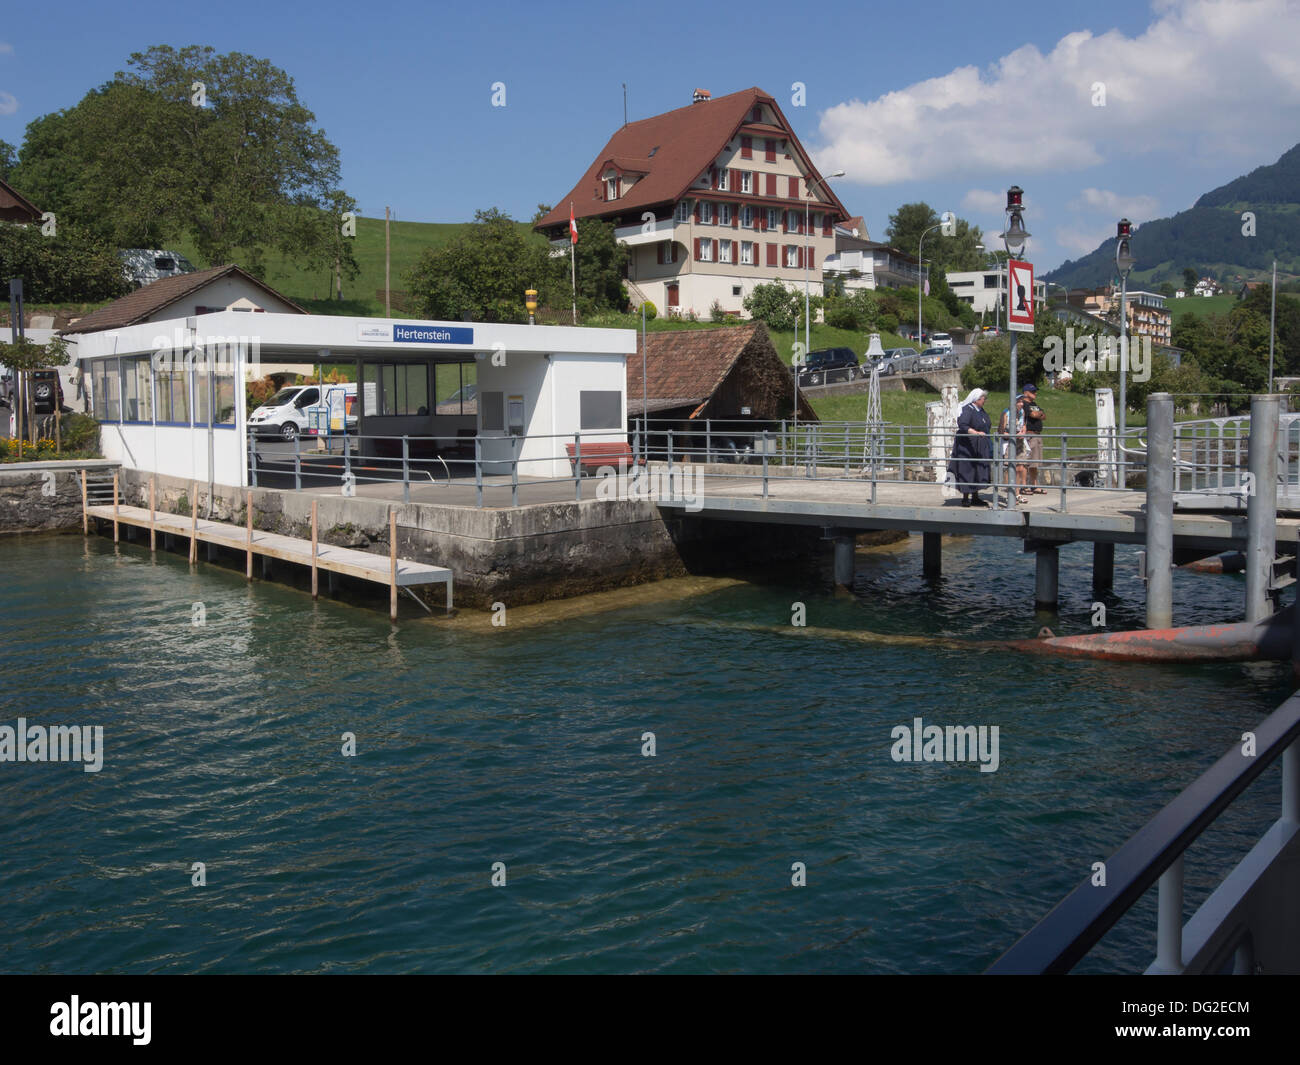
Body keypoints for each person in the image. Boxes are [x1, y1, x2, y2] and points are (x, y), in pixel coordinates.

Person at [950, 388, 992, 507]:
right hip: (967, 445)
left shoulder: (980, 410)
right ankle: (965, 498)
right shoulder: (968, 410)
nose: (985, 400)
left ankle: (975, 496)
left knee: (978, 469)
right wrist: (976, 433)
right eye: (984, 398)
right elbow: (963, 425)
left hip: (979, 446)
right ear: (977, 399)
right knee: (967, 469)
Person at [997, 396, 1030, 505]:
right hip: (1009, 442)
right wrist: (1013, 435)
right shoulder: (1006, 413)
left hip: (1020, 443)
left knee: (1021, 468)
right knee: (1012, 469)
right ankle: (1009, 495)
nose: (1021, 404)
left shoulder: (1022, 412)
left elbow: (1024, 425)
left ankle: (1017, 492)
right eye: (1019, 402)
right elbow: (1001, 432)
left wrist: (1023, 432)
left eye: (1022, 402)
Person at [1021, 383, 1046, 494]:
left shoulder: (1034, 404)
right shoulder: (1024, 404)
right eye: (1033, 392)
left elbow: (1043, 416)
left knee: (1035, 463)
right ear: (1026, 393)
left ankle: (1035, 485)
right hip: (1029, 435)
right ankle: (1024, 486)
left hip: (1037, 434)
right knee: (1026, 462)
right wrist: (1037, 414)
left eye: (1035, 391)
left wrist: (1038, 413)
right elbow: (1033, 415)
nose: (1035, 393)